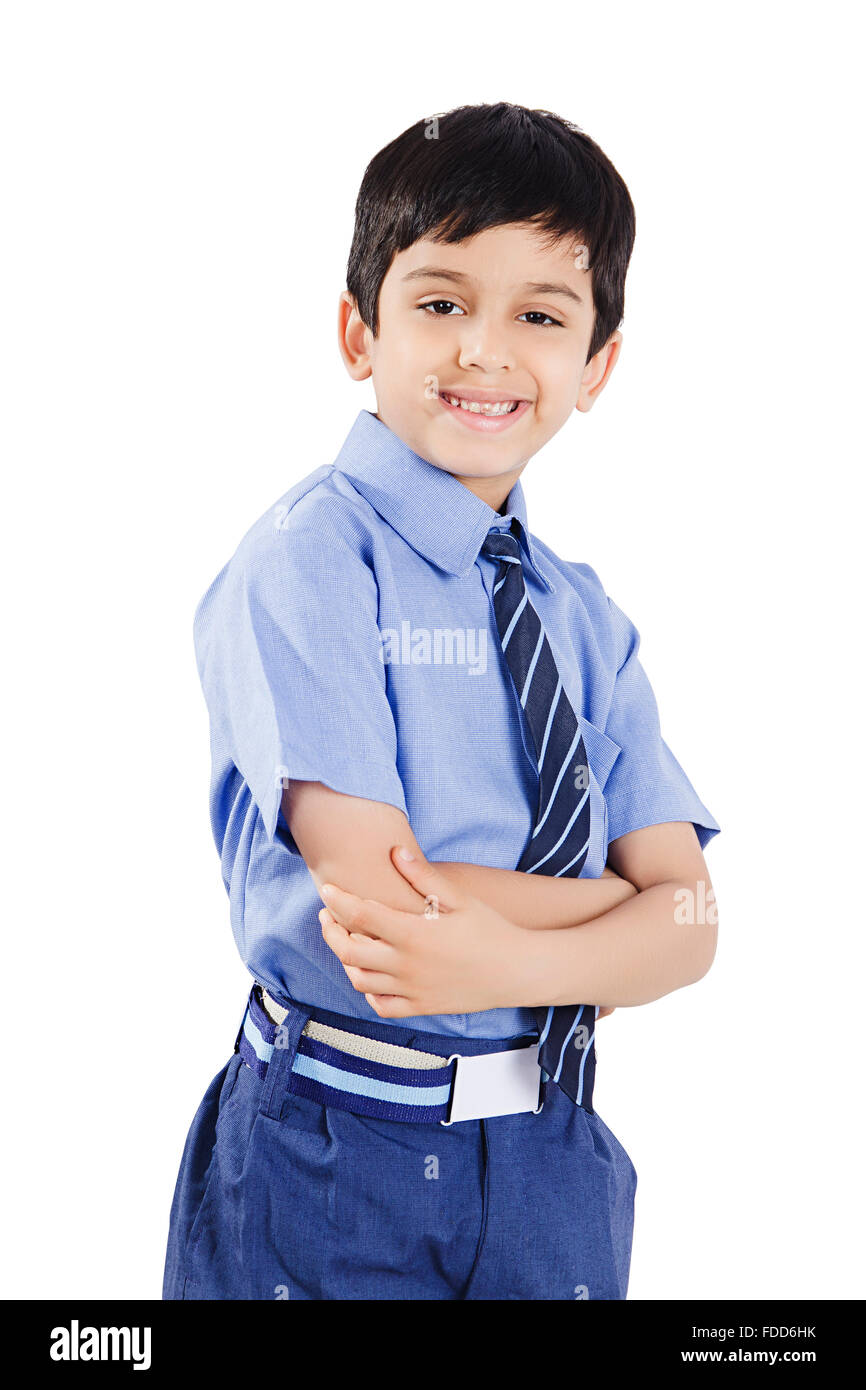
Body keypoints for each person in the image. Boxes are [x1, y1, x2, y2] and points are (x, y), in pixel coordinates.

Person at [162, 101, 720, 1301]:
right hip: (337, 1152)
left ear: (597, 363)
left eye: (538, 315)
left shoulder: (583, 617)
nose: (483, 350)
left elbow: (693, 933)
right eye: (438, 303)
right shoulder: (311, 562)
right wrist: (619, 909)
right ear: (358, 330)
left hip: (548, 1153)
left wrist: (498, 954)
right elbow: (385, 910)